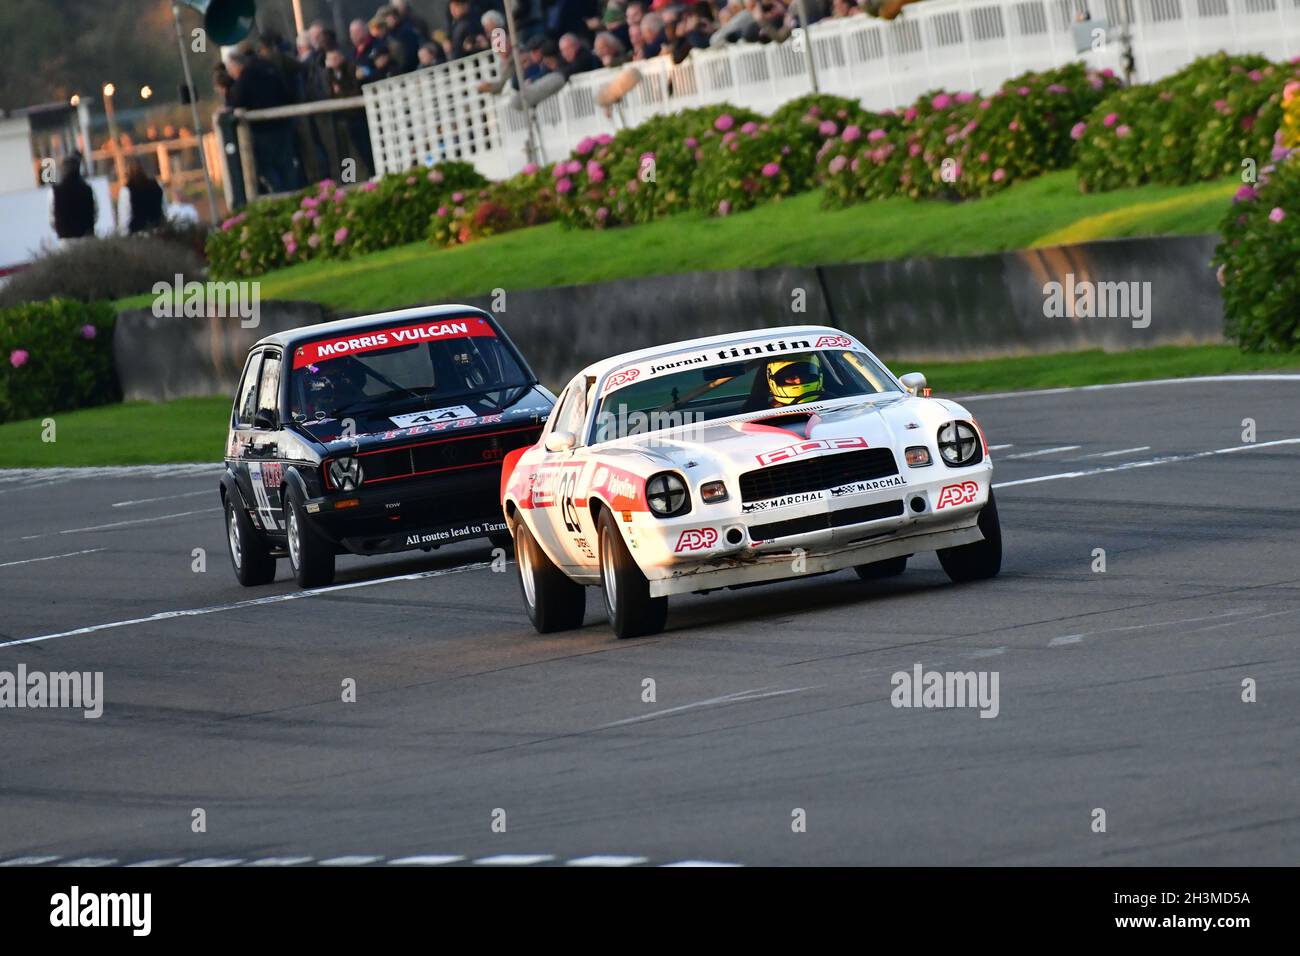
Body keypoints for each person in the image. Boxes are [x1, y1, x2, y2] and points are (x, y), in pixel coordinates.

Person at [49, 153, 97, 240]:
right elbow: (95, 212)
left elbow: (52, 218)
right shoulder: (87, 189)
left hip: (66, 238)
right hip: (87, 237)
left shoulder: (55, 191)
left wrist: (60, 230)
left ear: (63, 170)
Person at [117, 158, 166, 234]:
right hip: (158, 232)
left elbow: (124, 219)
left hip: (138, 235)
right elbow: (164, 209)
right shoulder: (157, 185)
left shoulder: (126, 191)